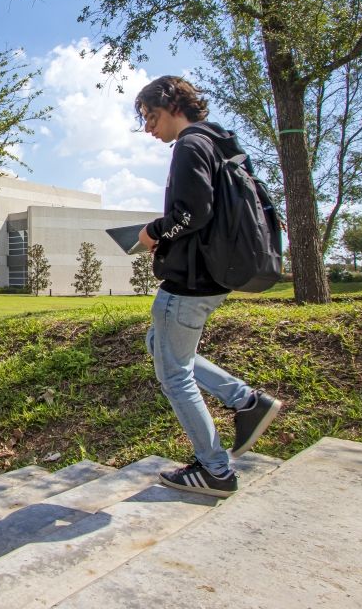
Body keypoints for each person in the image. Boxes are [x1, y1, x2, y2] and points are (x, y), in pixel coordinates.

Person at [134, 75, 282, 498]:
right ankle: (246, 401)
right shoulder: (220, 143)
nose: (149, 128)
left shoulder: (190, 144)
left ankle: (215, 469)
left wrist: (153, 233)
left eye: (151, 116)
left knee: (175, 375)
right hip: (217, 277)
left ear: (173, 105)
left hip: (189, 283)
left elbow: (192, 213)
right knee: (157, 343)